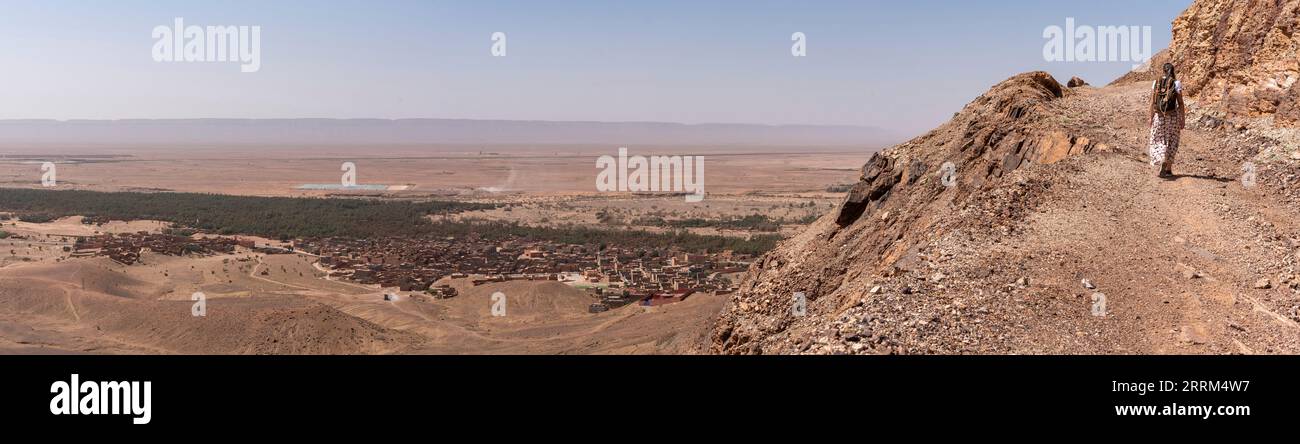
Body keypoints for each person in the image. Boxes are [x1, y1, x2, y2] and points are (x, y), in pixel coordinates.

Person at [1148, 63, 1186, 178]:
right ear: (1173, 71)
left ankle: (1161, 158)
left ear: (1163, 71)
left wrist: (1150, 117)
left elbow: (1152, 102)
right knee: (1172, 140)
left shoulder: (1156, 82)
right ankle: (1168, 169)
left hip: (1159, 116)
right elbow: (1180, 103)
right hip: (1173, 116)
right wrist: (1182, 118)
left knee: (1157, 139)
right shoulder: (1176, 83)